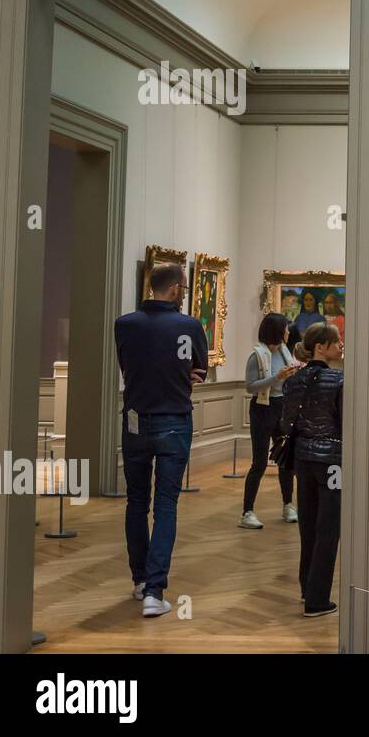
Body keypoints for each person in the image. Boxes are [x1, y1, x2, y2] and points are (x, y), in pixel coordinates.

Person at [114, 261, 208, 618]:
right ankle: (155, 591)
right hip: (174, 420)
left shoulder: (124, 324)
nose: (183, 295)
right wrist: (184, 374)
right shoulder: (189, 325)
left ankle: (139, 581)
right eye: (183, 289)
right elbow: (198, 368)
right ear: (174, 290)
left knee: (136, 502)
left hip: (135, 420)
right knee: (166, 505)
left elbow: (128, 366)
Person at [280, 322, 346, 616]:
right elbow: (344, 425)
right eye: (336, 341)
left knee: (308, 526)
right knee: (328, 529)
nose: (340, 345)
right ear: (321, 347)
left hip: (302, 460)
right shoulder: (338, 380)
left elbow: (285, 423)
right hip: (331, 461)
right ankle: (317, 600)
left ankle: (307, 587)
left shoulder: (292, 381)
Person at [239, 313, 300, 529]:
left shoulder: (283, 351)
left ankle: (288, 505)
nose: (289, 331)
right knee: (260, 462)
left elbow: (285, 379)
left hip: (282, 407)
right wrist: (278, 378)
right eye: (286, 328)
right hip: (263, 410)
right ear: (277, 331)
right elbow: (251, 387)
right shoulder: (257, 355)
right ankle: (247, 512)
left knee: (285, 459)